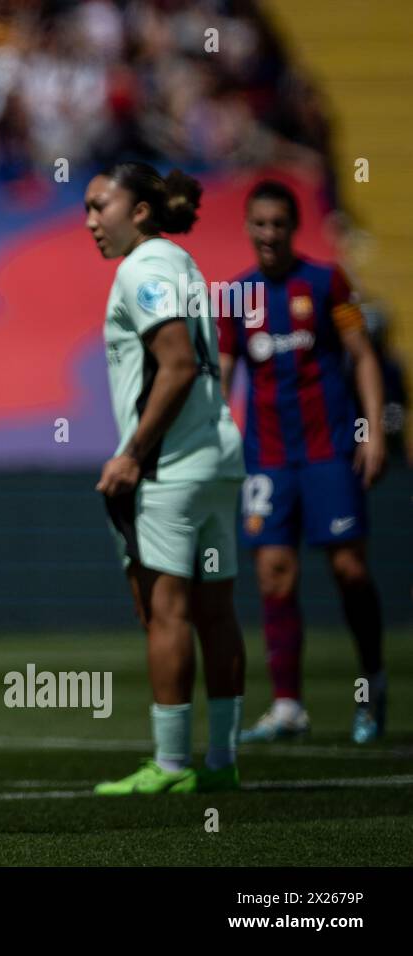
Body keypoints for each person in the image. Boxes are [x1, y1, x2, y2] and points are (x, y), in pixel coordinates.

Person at [84, 162, 247, 795]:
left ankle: (172, 765)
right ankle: (222, 761)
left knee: (165, 613)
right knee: (217, 611)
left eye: (102, 206)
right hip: (216, 456)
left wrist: (132, 453)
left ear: (141, 210)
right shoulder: (178, 262)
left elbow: (176, 366)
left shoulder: (143, 269)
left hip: (170, 469)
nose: (92, 221)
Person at [218, 180, 388, 744]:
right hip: (267, 458)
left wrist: (372, 431)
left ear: (293, 228)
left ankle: (372, 682)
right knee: (273, 576)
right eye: (259, 223)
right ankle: (288, 705)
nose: (268, 234)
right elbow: (222, 375)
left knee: (349, 570)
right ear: (247, 227)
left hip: (328, 452)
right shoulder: (235, 298)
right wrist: (218, 443)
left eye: (278, 224)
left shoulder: (326, 282)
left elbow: (363, 357)